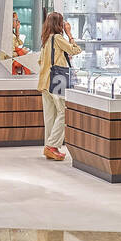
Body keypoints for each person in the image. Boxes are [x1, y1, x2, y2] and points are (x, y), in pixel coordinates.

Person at [38, 11, 82, 161]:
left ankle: (49, 147)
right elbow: (75, 50)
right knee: (63, 112)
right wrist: (70, 34)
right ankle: (51, 145)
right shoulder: (57, 38)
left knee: (50, 116)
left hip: (44, 81)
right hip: (57, 80)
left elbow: (40, 62)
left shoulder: (45, 40)